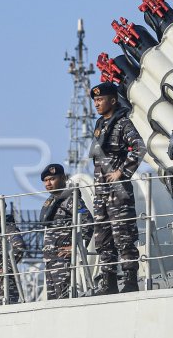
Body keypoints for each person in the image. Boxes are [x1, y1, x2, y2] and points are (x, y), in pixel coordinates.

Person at [88, 83, 147, 294]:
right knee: (103, 239)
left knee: (123, 235)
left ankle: (130, 280)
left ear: (113, 100)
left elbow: (139, 147)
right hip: (101, 193)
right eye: (95, 100)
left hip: (117, 192)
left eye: (100, 99)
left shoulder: (122, 124)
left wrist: (121, 172)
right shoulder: (100, 125)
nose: (96, 103)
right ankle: (109, 282)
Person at [39, 163, 92, 299]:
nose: (48, 183)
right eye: (45, 180)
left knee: (63, 298)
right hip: (50, 260)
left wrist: (75, 247)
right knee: (52, 302)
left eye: (52, 179)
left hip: (62, 260)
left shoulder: (71, 199)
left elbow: (88, 222)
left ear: (62, 178)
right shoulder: (50, 202)